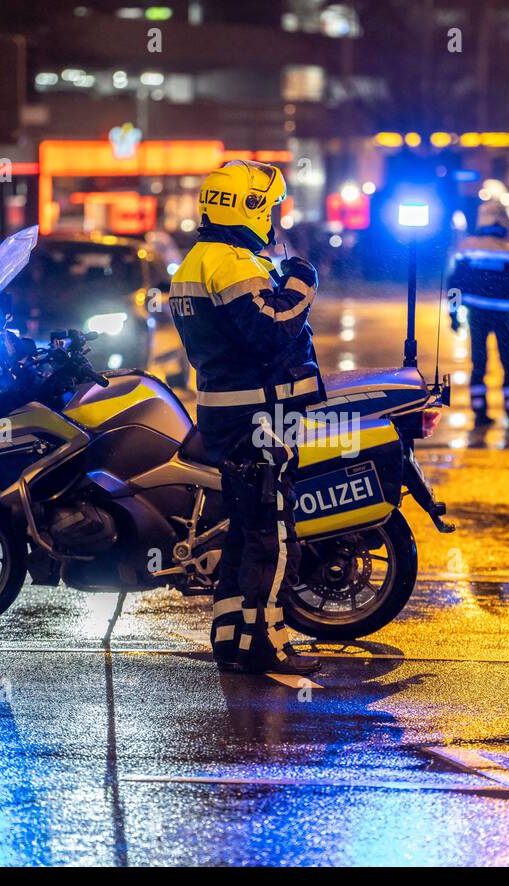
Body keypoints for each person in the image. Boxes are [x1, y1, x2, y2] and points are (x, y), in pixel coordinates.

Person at [168, 160, 322, 676]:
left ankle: (231, 638)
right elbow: (271, 329)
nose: (276, 216)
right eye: (272, 206)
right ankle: (267, 643)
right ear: (250, 207)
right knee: (272, 531)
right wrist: (302, 283)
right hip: (257, 414)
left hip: (226, 413)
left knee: (242, 529)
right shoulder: (232, 263)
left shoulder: (196, 261)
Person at [449, 203, 509, 429]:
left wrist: (454, 314)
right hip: (505, 317)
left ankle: (480, 413)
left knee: (479, 364)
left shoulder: (466, 249)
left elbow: (454, 286)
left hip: (477, 315)